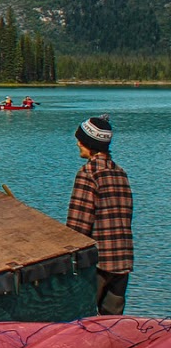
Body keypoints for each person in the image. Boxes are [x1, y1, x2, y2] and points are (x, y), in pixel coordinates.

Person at [66, 115, 132, 316]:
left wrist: (67, 257)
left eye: (80, 140)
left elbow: (78, 226)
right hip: (123, 259)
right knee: (112, 322)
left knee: (82, 320)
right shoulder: (119, 172)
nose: (78, 143)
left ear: (89, 144)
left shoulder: (88, 173)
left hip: (98, 262)